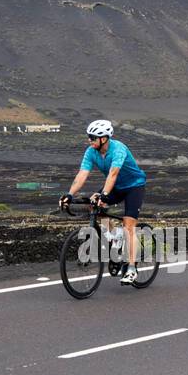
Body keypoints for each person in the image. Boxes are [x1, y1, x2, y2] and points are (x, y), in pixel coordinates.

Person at [59, 119, 147, 284]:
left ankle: (132, 268)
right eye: (89, 137)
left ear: (104, 138)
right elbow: (82, 174)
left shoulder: (118, 149)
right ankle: (114, 237)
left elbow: (113, 174)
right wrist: (69, 194)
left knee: (129, 226)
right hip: (115, 186)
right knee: (93, 205)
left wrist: (104, 194)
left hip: (134, 186)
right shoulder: (91, 151)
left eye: (92, 138)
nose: (89, 141)